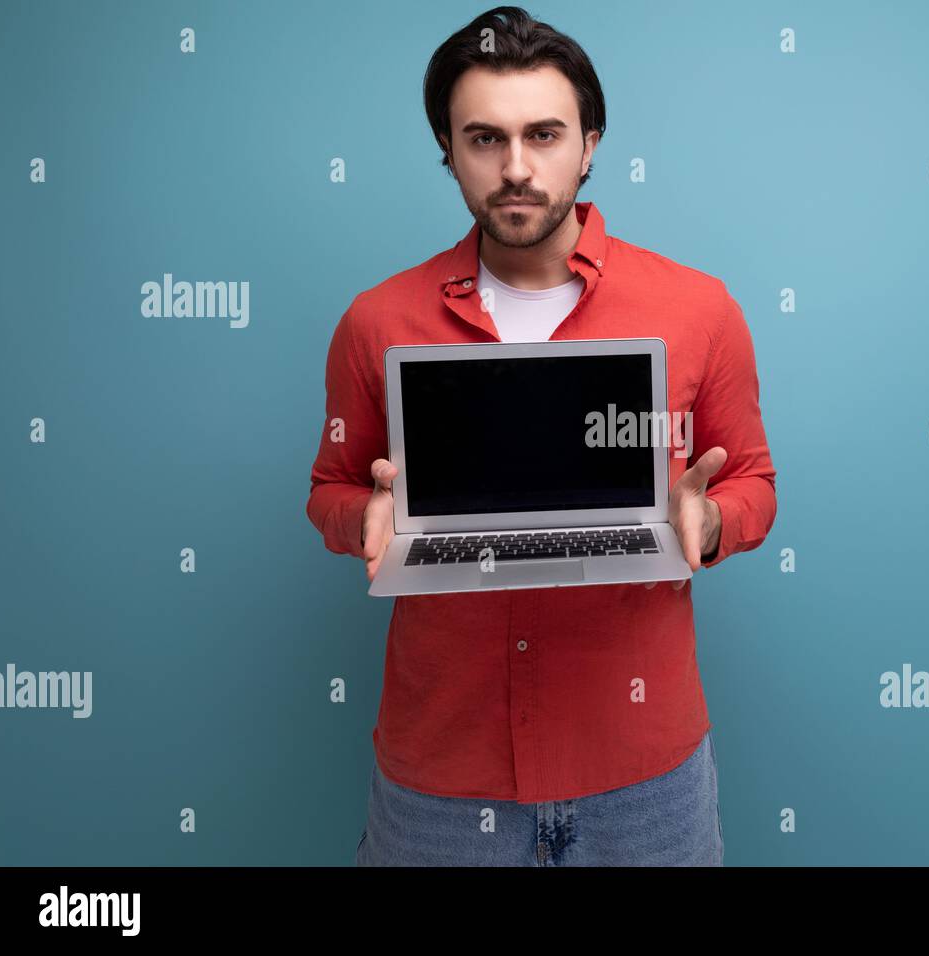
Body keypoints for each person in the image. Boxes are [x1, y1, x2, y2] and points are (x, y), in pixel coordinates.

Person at [306, 6, 777, 866]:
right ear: (447, 150)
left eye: (545, 134)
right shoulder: (376, 322)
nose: (516, 169)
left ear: (590, 142)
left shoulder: (699, 310)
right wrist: (360, 521)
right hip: (442, 780)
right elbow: (331, 487)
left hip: (643, 777)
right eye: (483, 139)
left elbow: (752, 479)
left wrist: (711, 524)